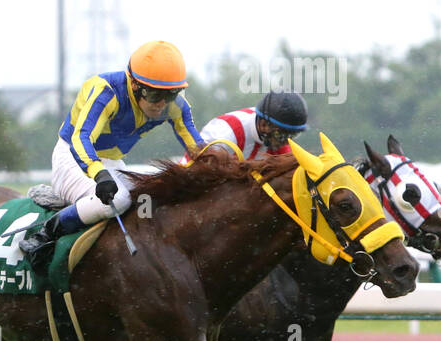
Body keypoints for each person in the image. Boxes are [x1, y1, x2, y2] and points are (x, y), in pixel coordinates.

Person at [18, 39, 206, 273]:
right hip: (72, 156)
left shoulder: (176, 106)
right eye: (154, 94)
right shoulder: (105, 91)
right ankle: (45, 233)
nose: (161, 104)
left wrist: (224, 169)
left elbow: (200, 150)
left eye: (170, 95)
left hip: (111, 163)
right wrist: (99, 174)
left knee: (147, 193)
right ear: (135, 85)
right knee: (118, 201)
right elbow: (80, 139)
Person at [195, 90, 308, 161]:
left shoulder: (275, 139)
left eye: (293, 135)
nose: (287, 142)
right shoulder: (224, 136)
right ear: (263, 125)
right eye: (282, 135)